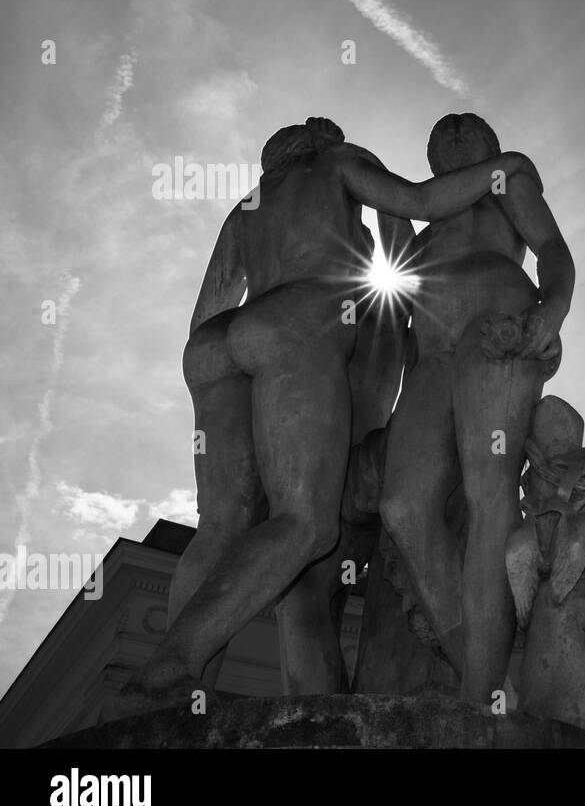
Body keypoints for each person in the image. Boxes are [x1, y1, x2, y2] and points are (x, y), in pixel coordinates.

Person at [112, 117, 543, 713]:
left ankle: (180, 699)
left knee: (220, 527)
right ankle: (175, 661)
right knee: (304, 524)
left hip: (214, 347)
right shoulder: (338, 165)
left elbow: (209, 306)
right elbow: (418, 202)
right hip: (295, 321)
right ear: (324, 143)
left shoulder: (249, 204)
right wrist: (505, 166)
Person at [379, 113, 574, 703]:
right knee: (402, 505)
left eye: (465, 132)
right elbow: (389, 272)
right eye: (442, 135)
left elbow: (553, 250)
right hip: (432, 348)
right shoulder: (426, 219)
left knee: (490, 489)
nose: (454, 135)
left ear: (489, 145)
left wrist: (550, 313)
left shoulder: (506, 182)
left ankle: (479, 696)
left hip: (497, 321)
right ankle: (480, 671)